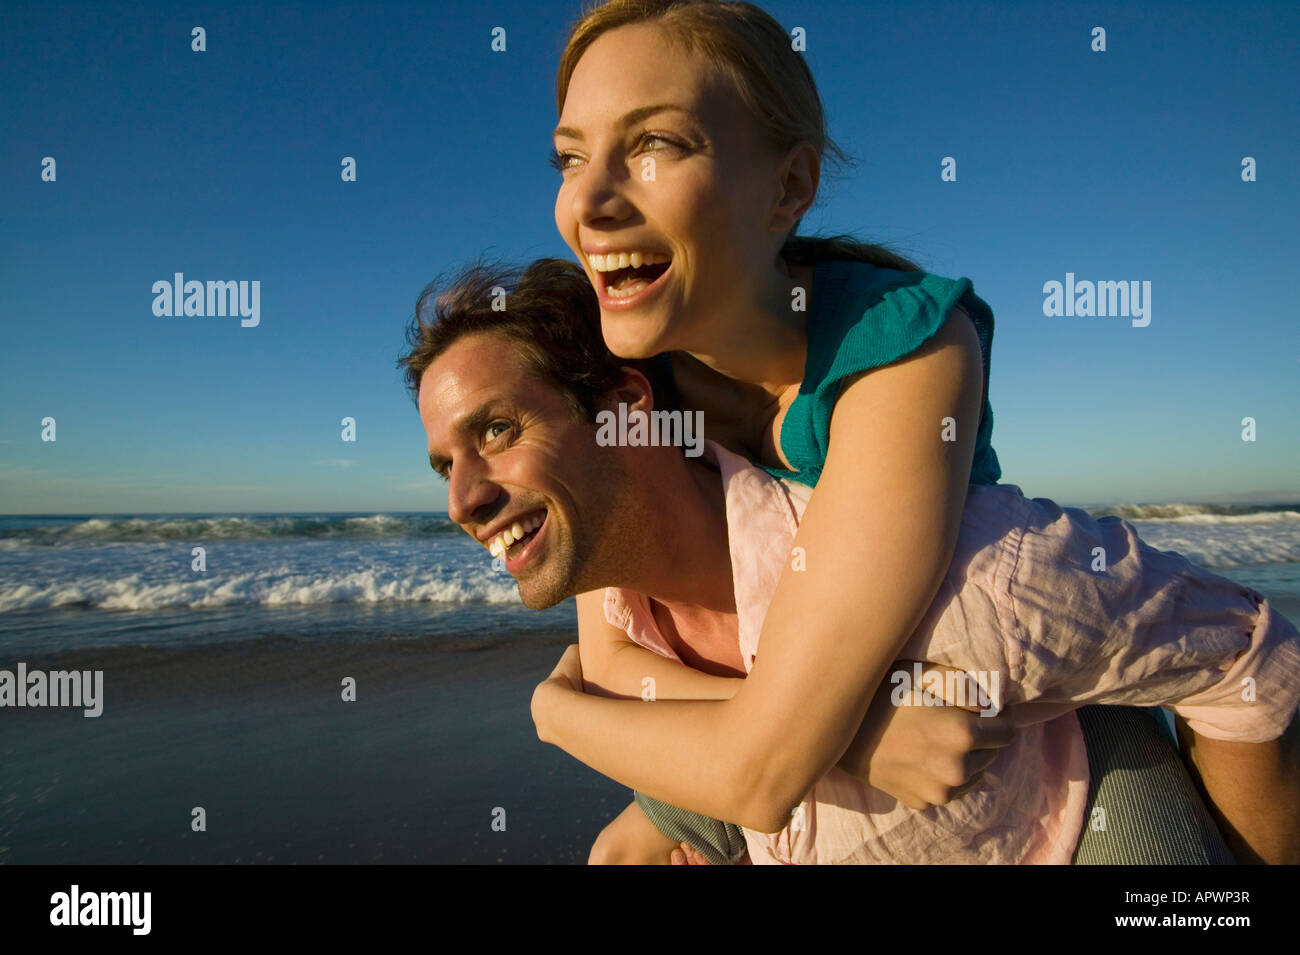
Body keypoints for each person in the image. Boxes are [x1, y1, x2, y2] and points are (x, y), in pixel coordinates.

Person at [545, 0, 1300, 863]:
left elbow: (746, 761)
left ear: (788, 186)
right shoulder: (632, 384)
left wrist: (556, 715)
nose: (589, 201)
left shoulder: (904, 350)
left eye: (655, 145)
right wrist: (857, 737)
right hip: (824, 740)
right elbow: (611, 655)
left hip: (1034, 725)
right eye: (570, 156)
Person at [399, 258, 1297, 863]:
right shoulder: (625, 630)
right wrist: (852, 734)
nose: (460, 499)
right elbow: (731, 758)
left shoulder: (972, 585)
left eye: (498, 430)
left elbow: (1256, 659)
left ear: (629, 408)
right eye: (446, 465)